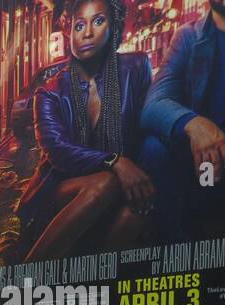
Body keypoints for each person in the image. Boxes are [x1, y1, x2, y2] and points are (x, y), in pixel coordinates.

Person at [15, 0, 154, 261]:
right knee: (105, 182)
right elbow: (59, 152)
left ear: (114, 25)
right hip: (59, 194)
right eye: (79, 25)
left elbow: (148, 125)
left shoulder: (135, 69)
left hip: (120, 193)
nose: (87, 33)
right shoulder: (49, 92)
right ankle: (25, 278)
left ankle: (89, 282)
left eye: (98, 21)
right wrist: (115, 163)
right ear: (70, 33)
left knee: (136, 211)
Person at [140, 0, 225, 239]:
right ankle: (176, 254)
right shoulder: (188, 37)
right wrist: (193, 124)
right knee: (152, 148)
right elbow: (153, 105)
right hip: (207, 171)